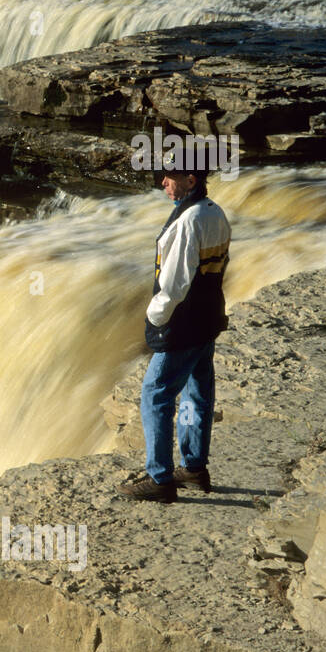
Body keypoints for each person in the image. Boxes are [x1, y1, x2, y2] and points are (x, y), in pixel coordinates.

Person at [118, 166, 231, 503]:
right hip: (209, 315)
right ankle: (194, 468)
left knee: (156, 394)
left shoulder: (186, 222)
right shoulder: (216, 213)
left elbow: (174, 285)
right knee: (198, 390)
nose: (163, 182)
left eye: (170, 177)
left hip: (182, 322)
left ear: (191, 180)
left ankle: (160, 478)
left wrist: (154, 319)